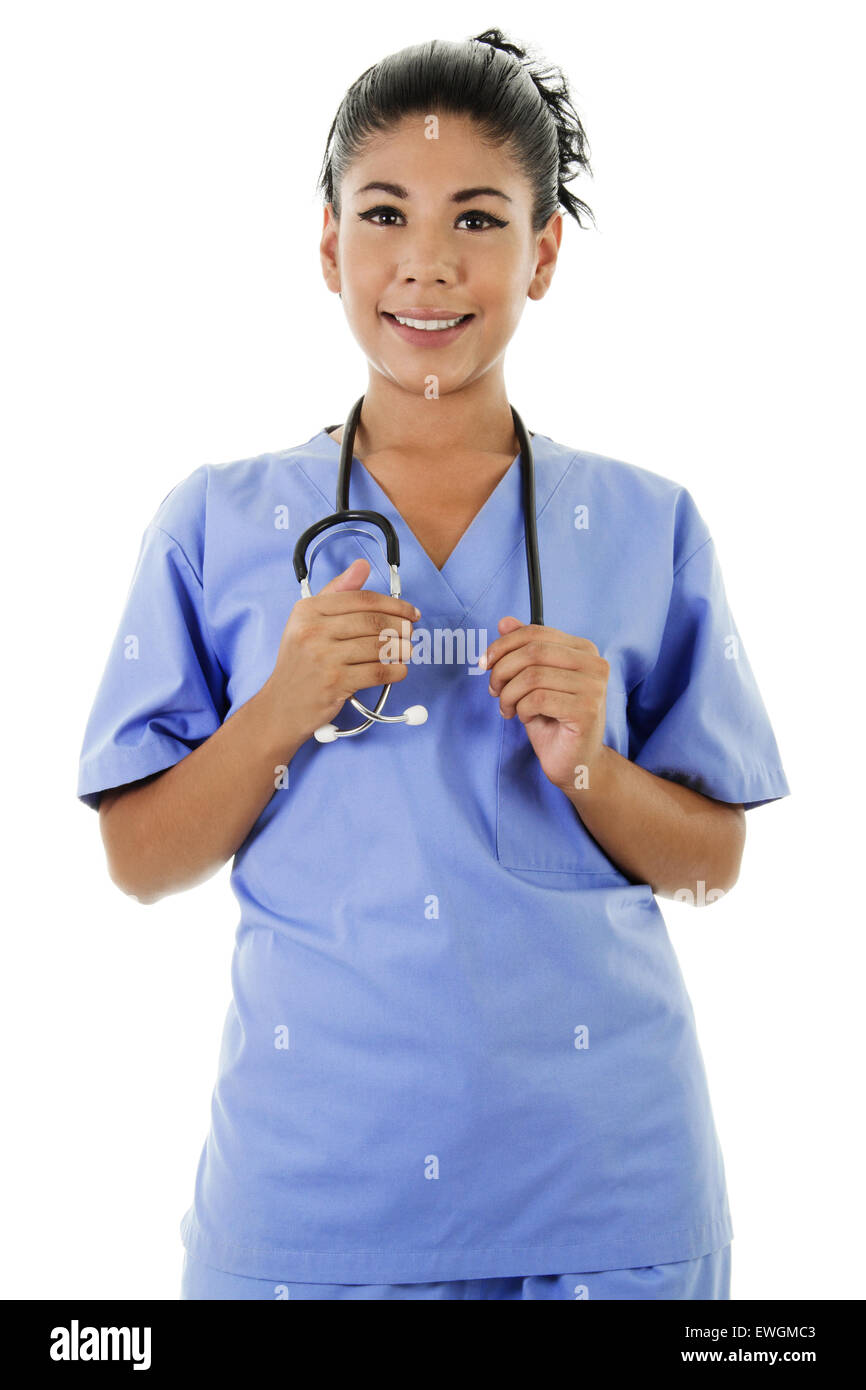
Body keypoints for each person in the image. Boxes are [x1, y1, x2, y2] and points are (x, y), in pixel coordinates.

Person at [76, 29, 790, 1301]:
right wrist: (277, 714)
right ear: (326, 245)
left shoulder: (643, 522)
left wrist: (591, 771)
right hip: (313, 1202)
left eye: (477, 217)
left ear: (543, 252)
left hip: (602, 1193)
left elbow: (713, 863)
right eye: (385, 212)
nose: (425, 261)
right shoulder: (215, 520)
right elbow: (138, 861)